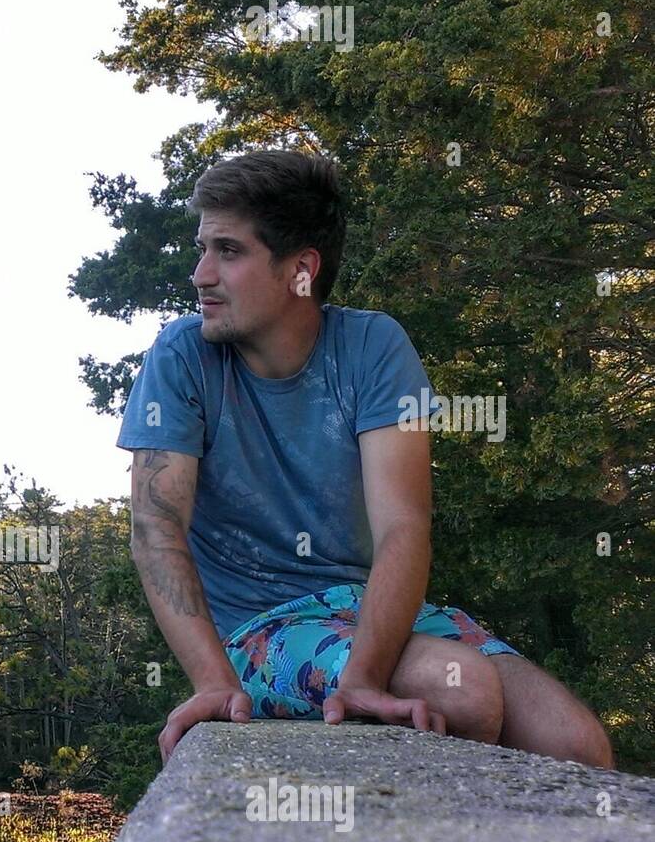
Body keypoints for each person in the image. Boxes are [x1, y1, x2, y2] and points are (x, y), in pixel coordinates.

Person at [117, 149, 613, 769]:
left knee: (578, 746)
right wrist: (214, 683)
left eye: (228, 251)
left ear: (301, 270)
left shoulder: (373, 345)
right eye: (203, 248)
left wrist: (365, 674)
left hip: (368, 607)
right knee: (459, 693)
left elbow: (404, 525)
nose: (200, 274)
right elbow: (156, 526)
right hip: (262, 626)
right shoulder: (182, 356)